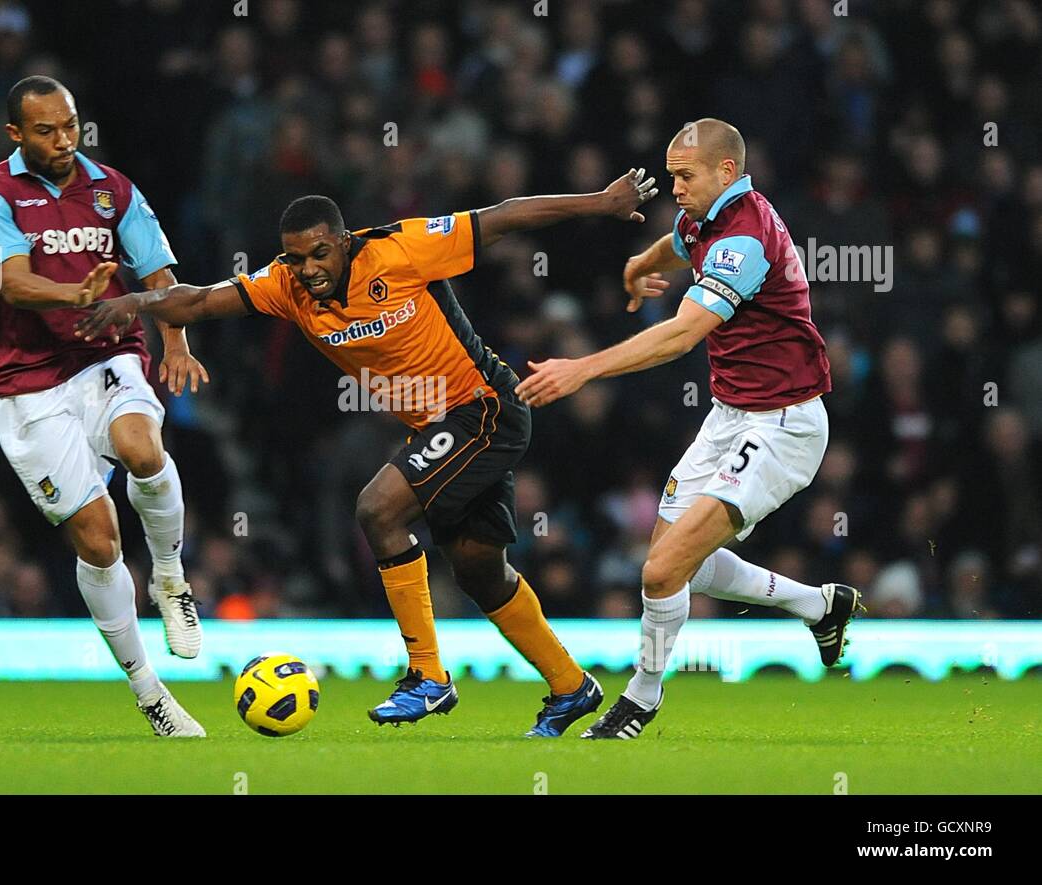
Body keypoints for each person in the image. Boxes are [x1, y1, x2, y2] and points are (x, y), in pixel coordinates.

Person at [76, 170, 659, 736]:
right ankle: (570, 686)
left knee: (378, 510)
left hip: (483, 409)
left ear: (345, 242)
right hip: (438, 426)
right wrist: (137, 306)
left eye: (319, 254)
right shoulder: (283, 284)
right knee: (480, 569)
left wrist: (599, 202)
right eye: (296, 258)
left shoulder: (401, 249)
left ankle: (427, 675)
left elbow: (502, 218)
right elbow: (201, 301)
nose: (308, 269)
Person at [517, 118, 861, 740]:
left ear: (726, 171)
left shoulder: (745, 237)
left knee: (658, 574)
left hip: (783, 425)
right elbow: (677, 241)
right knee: (674, 566)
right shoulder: (709, 217)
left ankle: (641, 698)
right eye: (671, 175)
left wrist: (582, 370)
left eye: (684, 176)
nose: (675, 188)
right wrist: (639, 262)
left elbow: (680, 335)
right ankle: (817, 604)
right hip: (730, 415)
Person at [0, 76, 207, 737]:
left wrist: (175, 340)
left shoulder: (112, 188)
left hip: (106, 356)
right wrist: (76, 296)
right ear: (16, 135)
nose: (63, 139)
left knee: (142, 449)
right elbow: (12, 282)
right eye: (46, 130)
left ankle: (169, 577)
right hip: (29, 386)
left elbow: (158, 274)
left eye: (70, 125)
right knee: (100, 544)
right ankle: (149, 690)